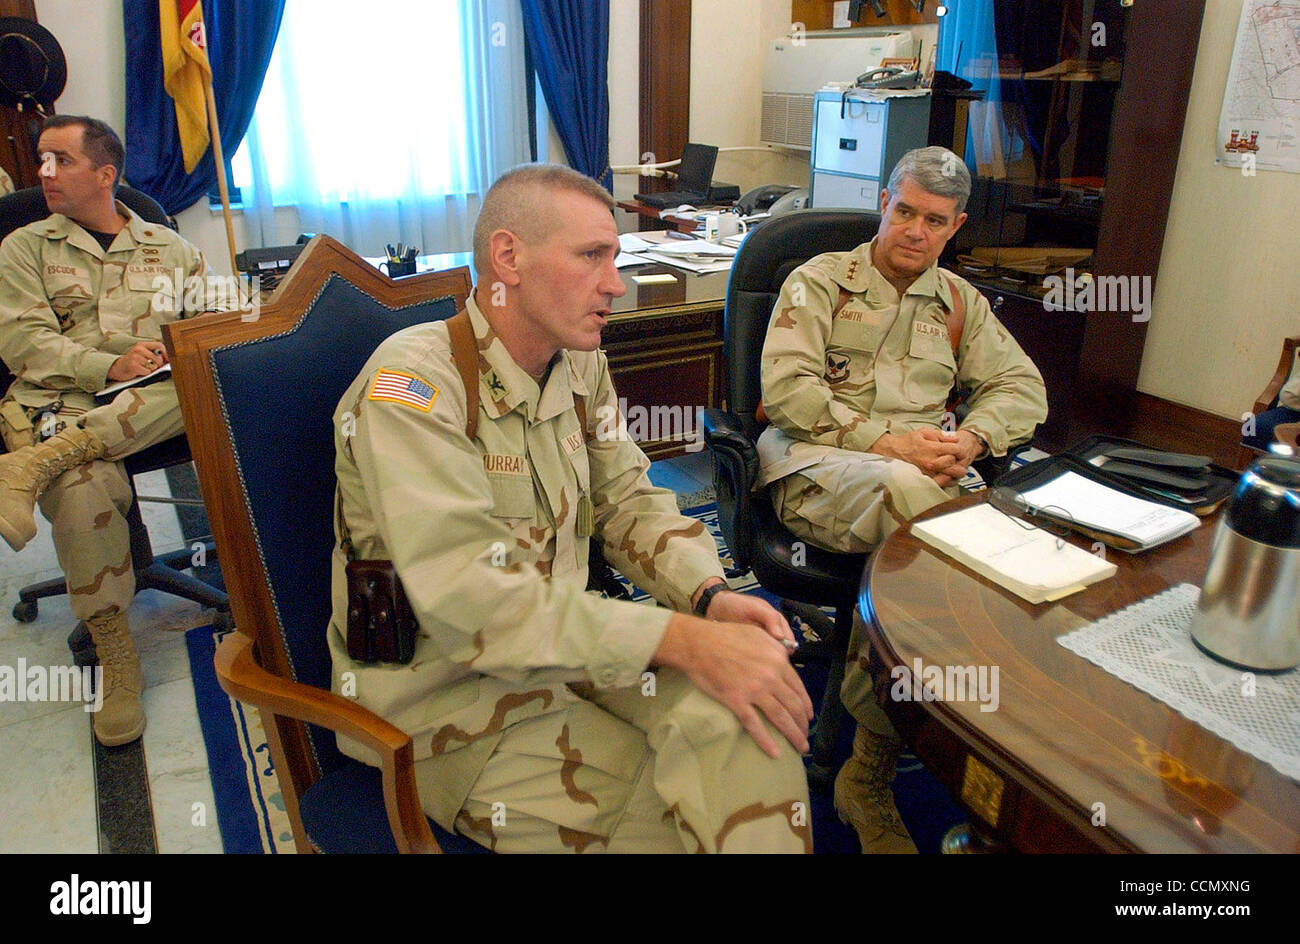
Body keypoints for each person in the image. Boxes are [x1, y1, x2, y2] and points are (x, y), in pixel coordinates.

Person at [328, 163, 814, 853]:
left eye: (614, 257)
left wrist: (706, 596)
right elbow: (471, 604)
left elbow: (627, 500)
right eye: (592, 255)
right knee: (687, 825)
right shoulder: (413, 389)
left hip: (569, 647)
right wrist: (679, 639)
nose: (616, 283)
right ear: (508, 258)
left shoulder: (578, 362)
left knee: (748, 726)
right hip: (450, 706)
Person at [757, 146, 1048, 852]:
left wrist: (974, 439)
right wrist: (888, 443)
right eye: (906, 211)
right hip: (815, 466)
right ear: (885, 202)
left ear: (957, 226)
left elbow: (1024, 389)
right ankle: (891, 771)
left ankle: (914, 756)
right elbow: (788, 395)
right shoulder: (819, 281)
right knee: (937, 522)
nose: (916, 230)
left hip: (920, 481)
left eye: (935, 220)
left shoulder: (959, 303)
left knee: (998, 547)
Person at [0, 115, 215, 746]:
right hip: (57, 400)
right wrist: (107, 364)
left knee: (206, 379)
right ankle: (115, 653)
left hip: (152, 401)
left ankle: (33, 466)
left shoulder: (170, 248)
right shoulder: (25, 247)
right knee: (82, 484)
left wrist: (187, 349)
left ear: (104, 173)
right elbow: (22, 343)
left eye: (59, 160)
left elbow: (207, 330)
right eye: (40, 160)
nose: (43, 173)